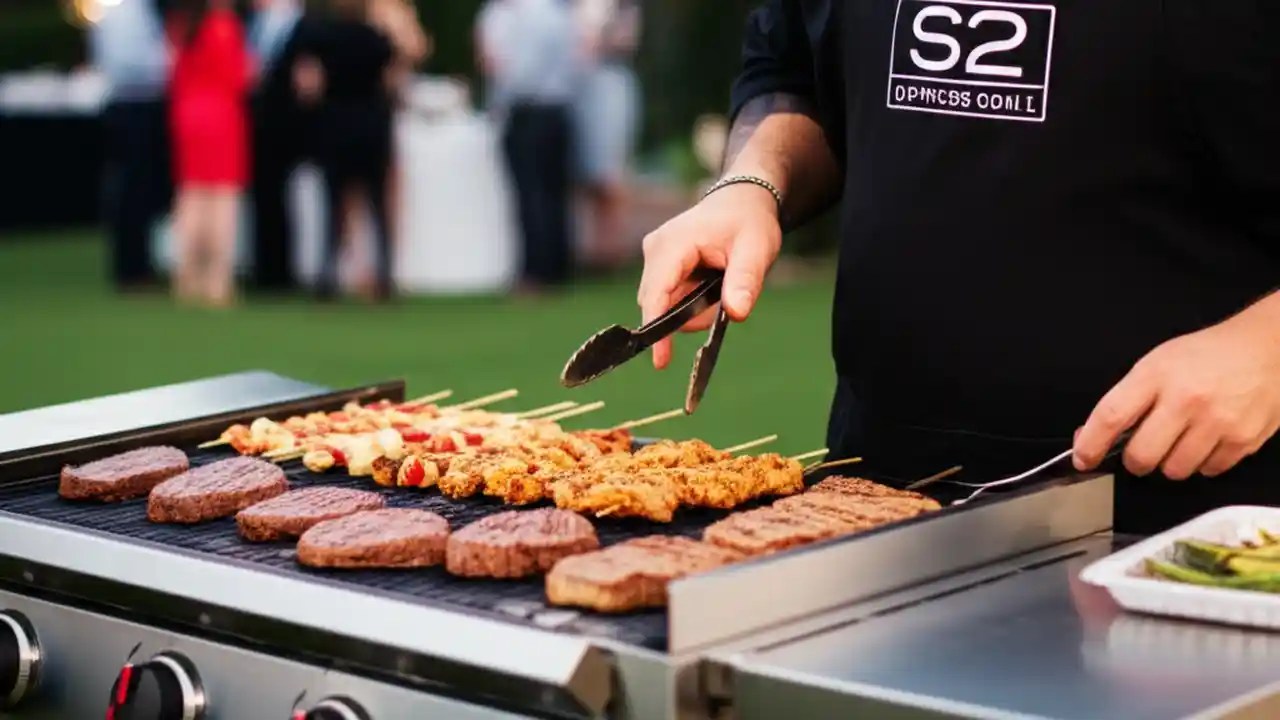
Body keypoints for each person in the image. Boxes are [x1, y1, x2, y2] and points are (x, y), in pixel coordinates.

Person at [635, 2, 1280, 534]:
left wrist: (1266, 349)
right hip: (868, 514)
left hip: (1204, 537)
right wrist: (753, 181)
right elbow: (794, 73)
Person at [298, 0, 397, 301]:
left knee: (333, 208)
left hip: (336, 127)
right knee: (377, 207)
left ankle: (327, 276)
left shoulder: (322, 38)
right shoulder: (378, 40)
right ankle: (383, 276)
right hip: (371, 128)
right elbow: (391, 81)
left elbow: (309, 87)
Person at [478, 0, 579, 293]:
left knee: (530, 194)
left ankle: (536, 271)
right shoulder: (559, 14)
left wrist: (498, 104)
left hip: (528, 112)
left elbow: (521, 75)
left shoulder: (528, 16)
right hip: (559, 110)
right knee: (554, 193)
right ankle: (558, 266)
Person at [166, 0, 253, 306]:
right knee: (222, 201)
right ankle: (217, 280)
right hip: (221, 118)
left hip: (187, 116)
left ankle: (186, 275)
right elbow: (240, 77)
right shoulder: (224, 27)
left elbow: (172, 73)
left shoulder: (182, 26)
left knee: (191, 197)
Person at [88, 0, 172, 292]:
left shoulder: (141, 10)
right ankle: (131, 269)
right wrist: (173, 62)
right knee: (132, 191)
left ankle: (142, 264)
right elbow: (128, 65)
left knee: (144, 190)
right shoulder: (125, 12)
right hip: (133, 106)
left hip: (141, 105)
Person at [247, 0, 314, 292]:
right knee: (263, 199)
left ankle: (282, 271)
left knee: (284, 200)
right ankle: (265, 269)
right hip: (258, 127)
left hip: (289, 127)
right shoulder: (253, 23)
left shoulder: (306, 26)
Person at [572, 0, 641, 271]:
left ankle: (613, 251)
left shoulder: (622, 8)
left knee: (610, 174)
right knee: (586, 174)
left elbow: (626, 42)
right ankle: (592, 250)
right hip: (580, 86)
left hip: (607, 86)